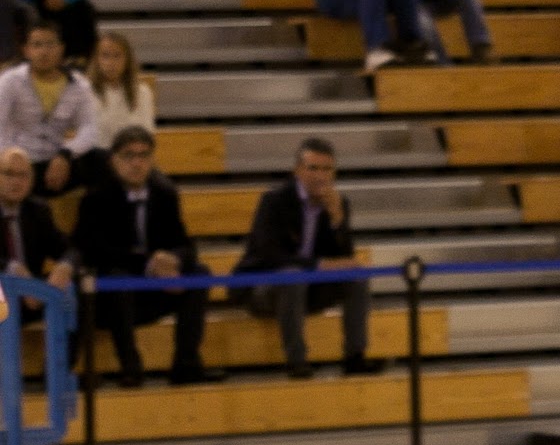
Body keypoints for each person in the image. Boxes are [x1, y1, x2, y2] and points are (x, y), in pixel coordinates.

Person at [74, 125, 222, 387]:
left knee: (200, 274)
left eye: (143, 155)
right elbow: (96, 252)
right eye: (129, 155)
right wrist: (150, 265)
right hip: (111, 296)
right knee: (119, 278)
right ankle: (131, 368)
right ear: (114, 161)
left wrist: (174, 260)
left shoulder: (164, 193)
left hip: (156, 287)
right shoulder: (96, 198)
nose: (137, 163)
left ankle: (186, 365)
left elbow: (185, 243)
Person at [233, 138, 382, 379]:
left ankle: (355, 358)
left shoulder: (338, 203)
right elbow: (269, 255)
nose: (320, 176)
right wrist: (319, 265)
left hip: (309, 290)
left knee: (357, 277)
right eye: (313, 168)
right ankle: (297, 362)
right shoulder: (274, 201)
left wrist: (337, 222)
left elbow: (345, 259)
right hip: (263, 288)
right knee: (293, 276)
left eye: (326, 169)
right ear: (298, 171)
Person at [0, 23, 100, 196]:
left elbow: (89, 128)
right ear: (26, 50)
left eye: (50, 44)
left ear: (61, 49)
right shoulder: (10, 81)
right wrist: (12, 160)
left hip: (56, 163)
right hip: (16, 162)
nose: (44, 52)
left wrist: (66, 154)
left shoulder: (79, 85)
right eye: (37, 45)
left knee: (103, 160)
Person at [0, 145, 75, 320]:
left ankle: (64, 347)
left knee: (70, 286)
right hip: (4, 294)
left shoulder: (38, 211)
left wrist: (64, 266)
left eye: (23, 175)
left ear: (32, 181)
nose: (16, 182)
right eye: (9, 174)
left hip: (31, 298)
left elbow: (70, 249)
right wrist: (13, 269)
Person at [87, 33, 155, 147]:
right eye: (105, 56)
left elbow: (147, 134)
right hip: (97, 158)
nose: (110, 63)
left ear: (127, 60)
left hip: (132, 158)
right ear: (96, 59)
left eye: (117, 56)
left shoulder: (142, 92)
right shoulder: (86, 91)